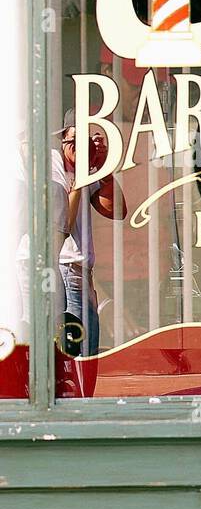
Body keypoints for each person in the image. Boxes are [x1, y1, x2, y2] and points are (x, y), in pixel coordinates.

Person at [53, 109, 128, 356]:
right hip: (65, 266)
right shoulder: (55, 165)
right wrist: (85, 172)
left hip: (82, 270)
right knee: (79, 352)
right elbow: (64, 220)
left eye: (87, 139)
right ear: (64, 137)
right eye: (76, 139)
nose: (81, 145)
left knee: (89, 349)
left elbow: (116, 210)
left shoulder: (84, 167)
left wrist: (104, 170)